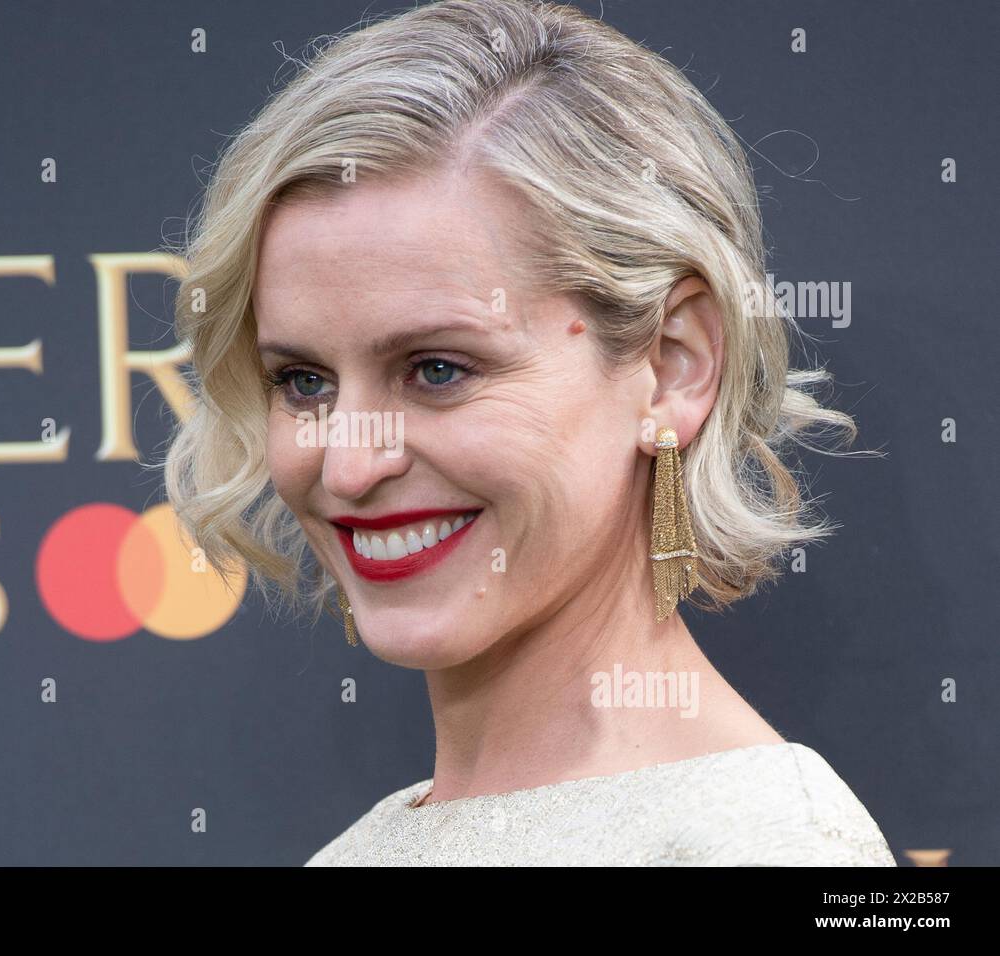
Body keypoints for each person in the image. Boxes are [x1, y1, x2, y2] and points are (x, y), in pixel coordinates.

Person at [163, 0, 896, 865]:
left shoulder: (769, 844)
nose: (351, 464)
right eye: (305, 382)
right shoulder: (355, 853)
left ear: (673, 365)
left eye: (438, 370)